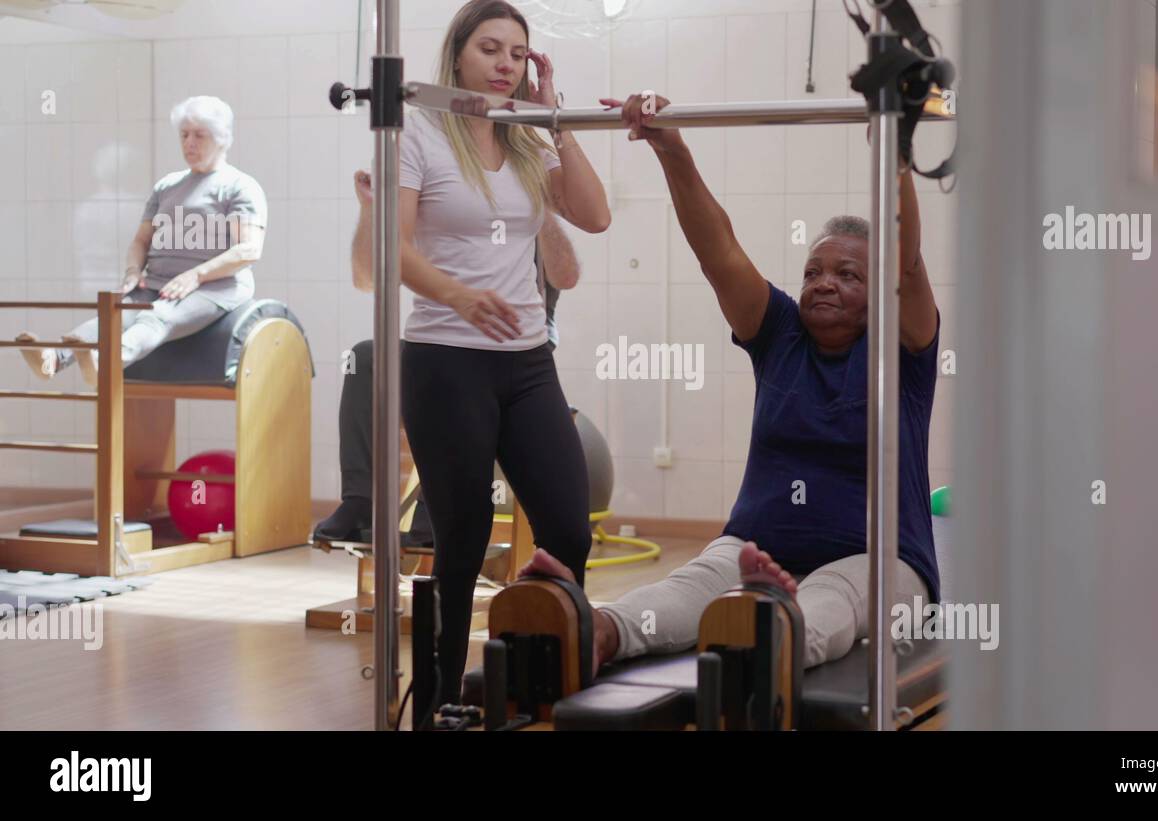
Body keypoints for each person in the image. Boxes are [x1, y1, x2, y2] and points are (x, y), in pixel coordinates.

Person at [523, 92, 941, 673]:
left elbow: (909, 263)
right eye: (813, 271)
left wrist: (893, 160)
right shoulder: (780, 333)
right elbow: (716, 249)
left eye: (848, 274)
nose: (823, 283)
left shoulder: (902, 351)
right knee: (687, 587)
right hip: (758, 546)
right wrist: (672, 151)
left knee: (836, 599)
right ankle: (595, 630)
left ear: (881, 295)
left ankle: (778, 630)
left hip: (880, 558)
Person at [349, 0, 610, 697]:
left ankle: (544, 675)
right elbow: (391, 249)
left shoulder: (526, 134)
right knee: (461, 542)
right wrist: (459, 296)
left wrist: (555, 118)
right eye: (490, 49)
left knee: (567, 529)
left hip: (526, 361)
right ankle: (436, 697)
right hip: (445, 359)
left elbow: (595, 214)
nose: (504, 64)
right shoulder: (418, 134)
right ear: (458, 56)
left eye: (518, 54)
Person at [314, 210, 583, 547]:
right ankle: (360, 501)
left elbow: (567, 273)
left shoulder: (521, 208)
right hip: (439, 342)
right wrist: (371, 209)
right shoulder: (445, 202)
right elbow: (368, 278)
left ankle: (436, 510)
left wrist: (540, 207)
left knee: (457, 368)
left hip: (511, 348)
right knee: (364, 358)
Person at [15, 96, 266, 384]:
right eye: (184, 135)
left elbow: (248, 249)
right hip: (158, 284)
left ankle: (106, 363)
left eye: (199, 135)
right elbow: (140, 242)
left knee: (156, 316)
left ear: (222, 138)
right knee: (112, 318)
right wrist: (133, 271)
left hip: (215, 288)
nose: (189, 143)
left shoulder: (239, 187)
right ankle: (53, 359)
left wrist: (197, 275)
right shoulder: (168, 186)